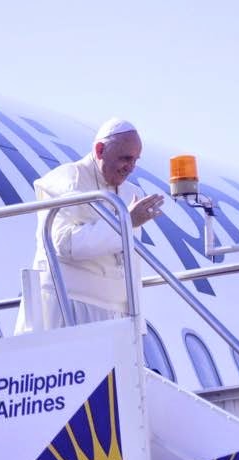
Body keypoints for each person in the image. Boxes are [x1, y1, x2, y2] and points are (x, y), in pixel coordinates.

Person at [16, 118, 165, 333]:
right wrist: (126, 222)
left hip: (117, 314)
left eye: (135, 160)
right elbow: (64, 244)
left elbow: (132, 263)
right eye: (125, 158)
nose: (130, 167)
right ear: (100, 149)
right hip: (66, 307)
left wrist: (136, 322)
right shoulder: (66, 181)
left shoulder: (131, 194)